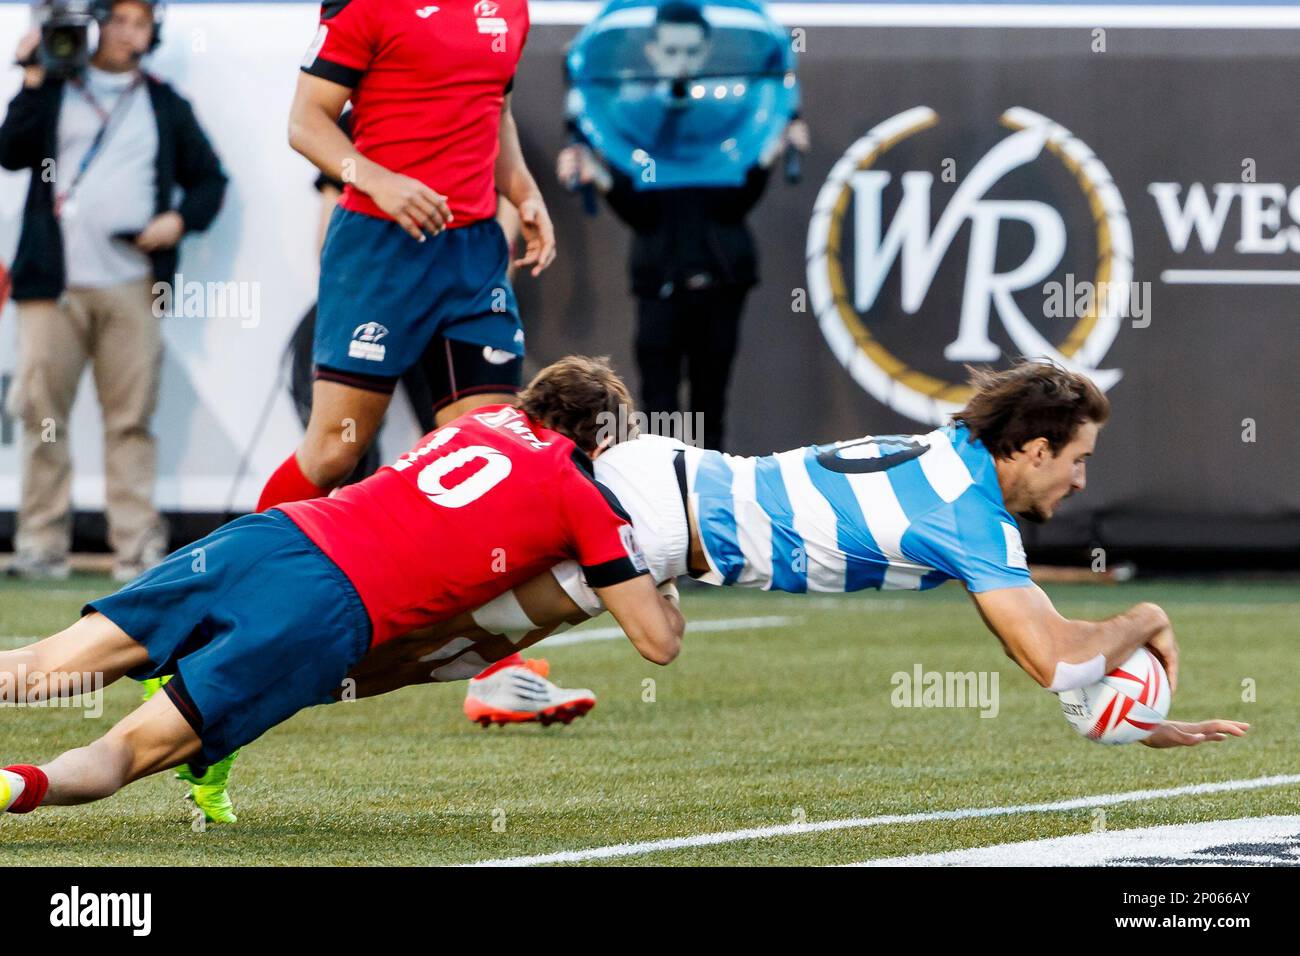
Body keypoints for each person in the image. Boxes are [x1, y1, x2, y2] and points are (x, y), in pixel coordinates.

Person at [336, 362, 1249, 751]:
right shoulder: (966, 514)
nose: (1083, 482)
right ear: (1036, 448)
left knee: (448, 633)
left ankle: (280, 672)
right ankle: (270, 682)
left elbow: (1055, 658)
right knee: (442, 631)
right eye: (1079, 459)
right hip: (654, 515)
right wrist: (1147, 619)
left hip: (668, 494)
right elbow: (1056, 660)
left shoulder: (955, 459)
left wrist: (1132, 720)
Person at [0, 357, 684, 817]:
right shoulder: (580, 490)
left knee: (40, 665)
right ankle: (16, 785)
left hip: (266, 539)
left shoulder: (477, 422)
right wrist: (664, 562)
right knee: (120, 753)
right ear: (598, 443)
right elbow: (655, 642)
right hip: (323, 610)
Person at [0, 0, 227, 581]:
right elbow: (11, 151)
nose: (129, 32)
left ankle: (137, 547)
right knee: (41, 415)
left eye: (141, 23)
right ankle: (41, 545)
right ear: (94, 26)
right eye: (118, 20)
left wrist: (175, 223)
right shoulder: (55, 89)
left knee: (130, 419)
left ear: (155, 33)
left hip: (132, 283)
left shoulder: (162, 102)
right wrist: (32, 74)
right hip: (52, 286)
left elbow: (209, 180)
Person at [556, 0, 808, 451]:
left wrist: (770, 153)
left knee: (710, 399)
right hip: (660, 277)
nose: (681, 62)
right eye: (671, 51)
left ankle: (706, 503)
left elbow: (733, 204)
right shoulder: (631, 117)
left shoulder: (731, 114)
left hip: (723, 273)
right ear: (652, 50)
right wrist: (604, 178)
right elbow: (643, 215)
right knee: (660, 401)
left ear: (706, 49)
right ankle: (669, 498)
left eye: (691, 51)